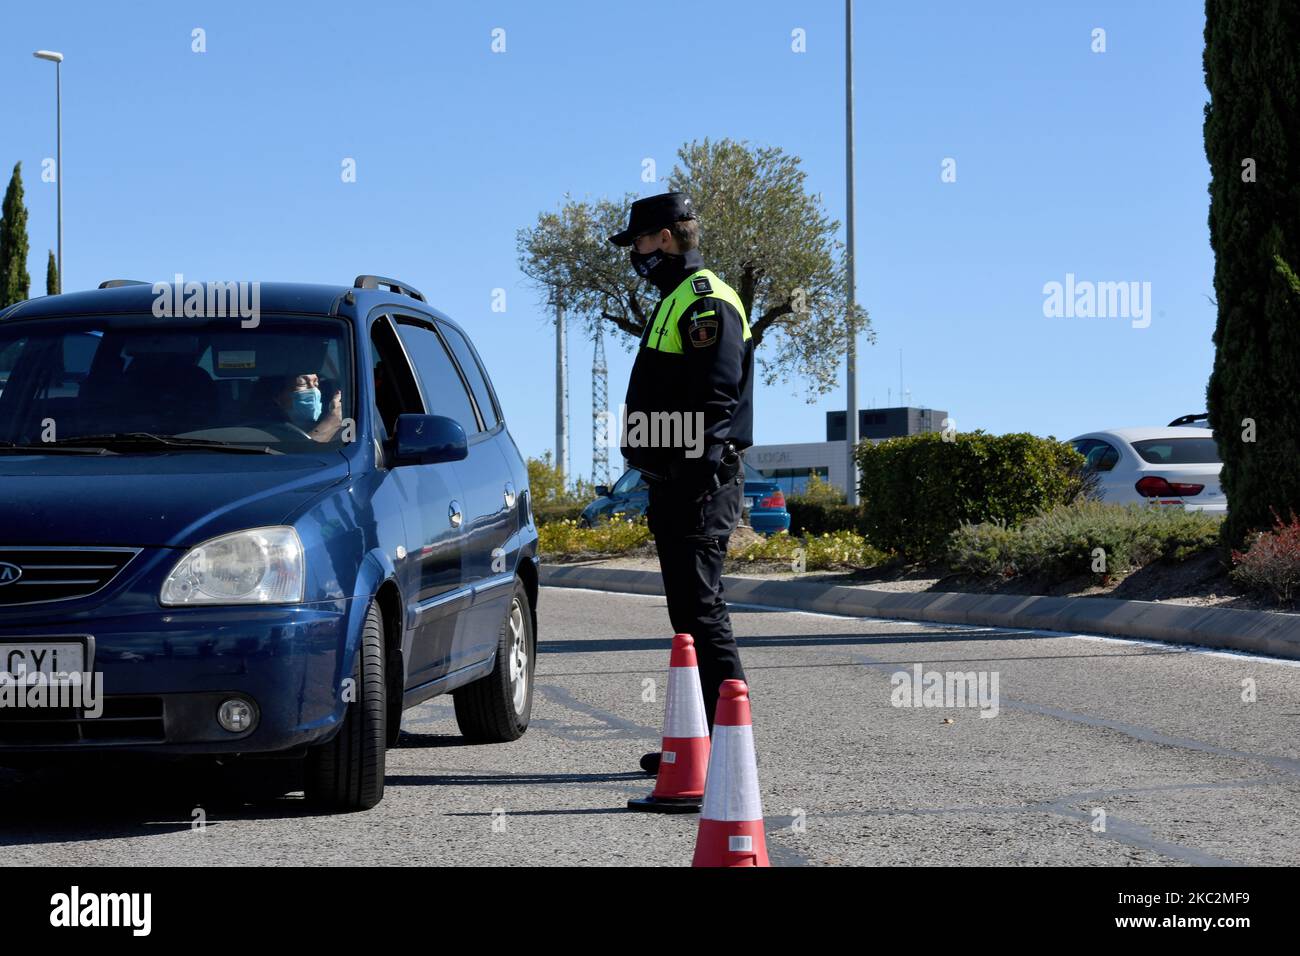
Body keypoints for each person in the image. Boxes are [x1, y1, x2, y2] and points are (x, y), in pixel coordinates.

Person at [609, 191, 755, 776]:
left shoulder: (704, 301)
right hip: (673, 479)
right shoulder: (674, 301)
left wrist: (694, 473)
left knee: (701, 609)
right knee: (686, 615)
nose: (636, 254)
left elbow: (715, 397)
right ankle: (699, 742)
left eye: (640, 241)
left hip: (698, 480)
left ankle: (730, 743)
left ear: (666, 237)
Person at [274, 372, 344, 442]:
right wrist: (332, 421)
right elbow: (301, 451)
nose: (314, 390)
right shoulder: (269, 434)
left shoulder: (342, 435)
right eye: (302, 383)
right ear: (279, 398)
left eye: (316, 384)